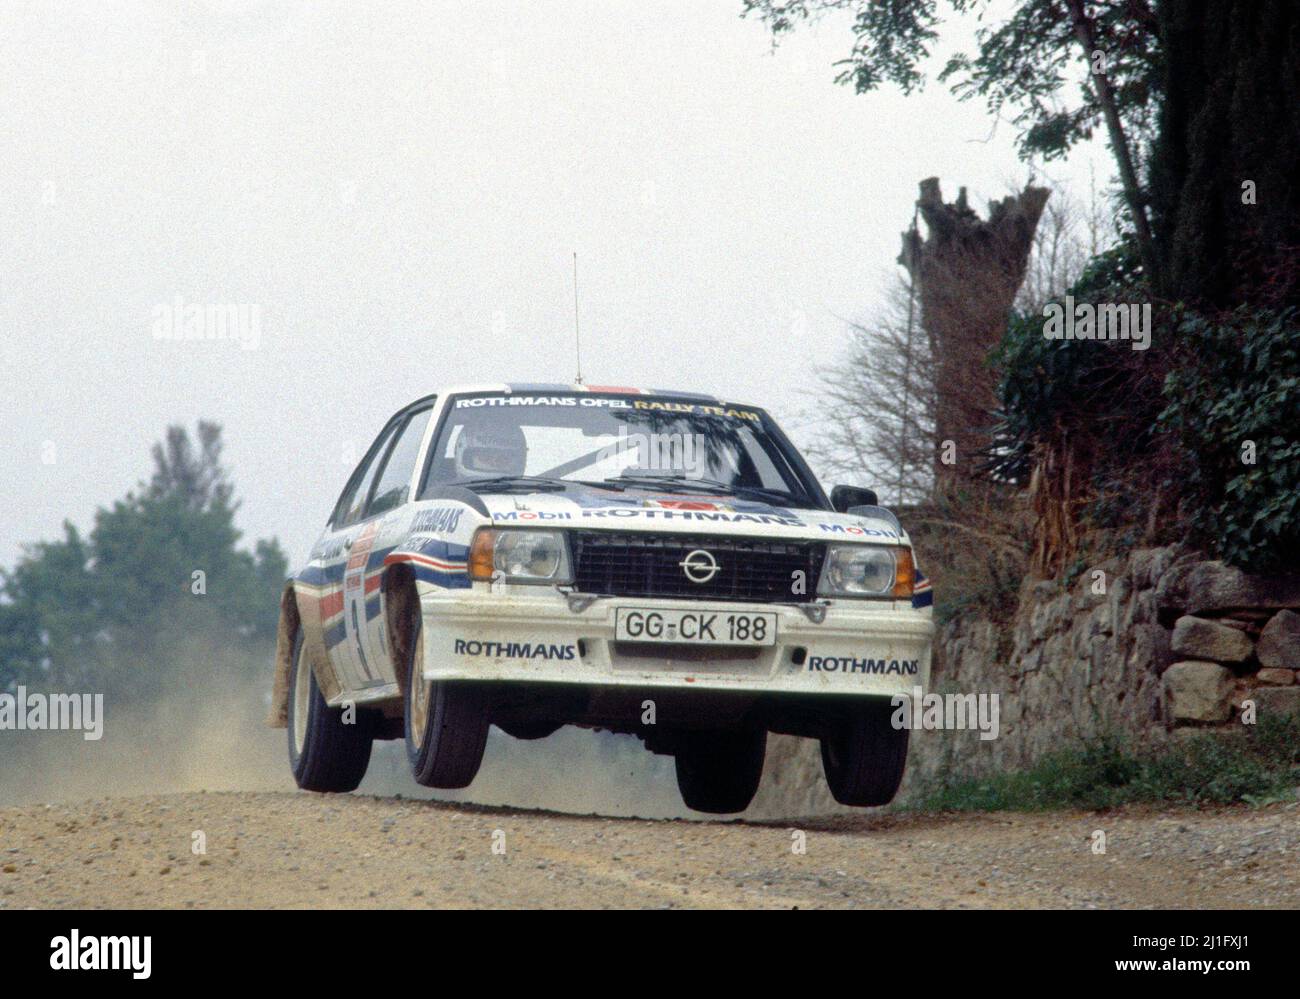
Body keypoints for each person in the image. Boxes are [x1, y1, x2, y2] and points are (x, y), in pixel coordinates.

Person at [453, 419, 528, 478]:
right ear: (465, 457)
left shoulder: (536, 493)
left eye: (504, 459)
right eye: (485, 458)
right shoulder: (445, 496)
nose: (494, 464)